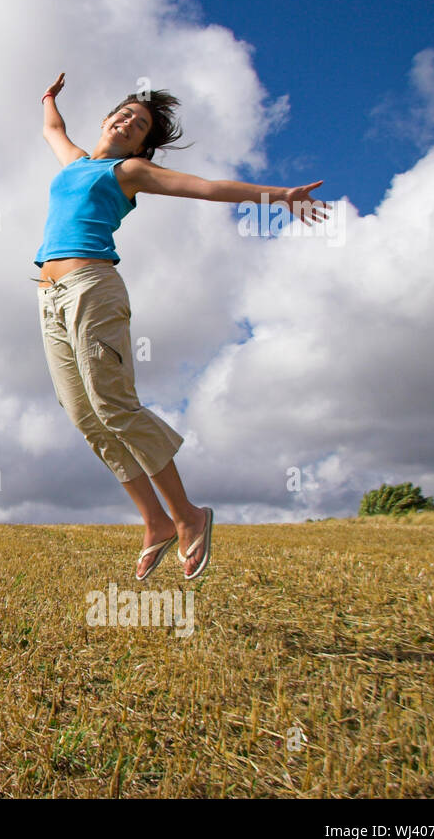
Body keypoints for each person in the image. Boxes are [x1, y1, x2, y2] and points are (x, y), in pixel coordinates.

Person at [33, 71, 329, 580]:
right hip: (47, 298)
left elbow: (207, 188)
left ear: (143, 145)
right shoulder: (75, 165)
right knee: (84, 417)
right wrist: (47, 99)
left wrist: (279, 195)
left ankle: (187, 514)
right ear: (107, 120)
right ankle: (155, 522)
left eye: (140, 124)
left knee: (114, 407)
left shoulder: (128, 172)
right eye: (124, 113)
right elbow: (52, 132)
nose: (128, 122)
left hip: (91, 288)